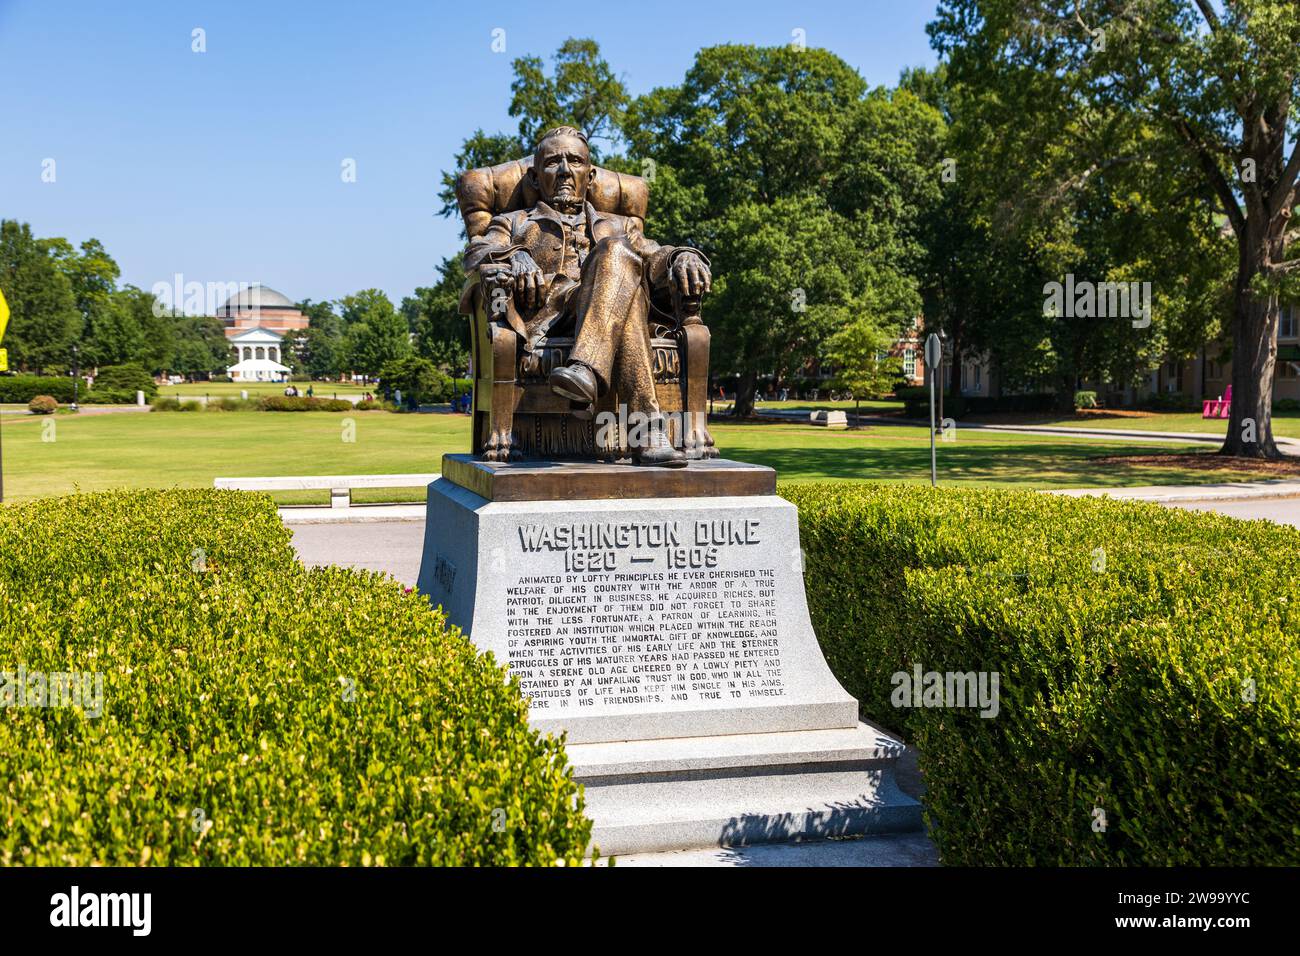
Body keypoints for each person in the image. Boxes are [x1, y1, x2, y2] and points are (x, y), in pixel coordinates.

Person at [463, 126, 711, 466]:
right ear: (534, 178)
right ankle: (647, 431)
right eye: (553, 162)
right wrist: (514, 255)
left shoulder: (620, 226)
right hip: (551, 316)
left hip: (613, 310)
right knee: (622, 267)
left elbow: (655, 255)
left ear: (589, 174)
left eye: (575, 161)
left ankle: (585, 370)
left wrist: (681, 256)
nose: (565, 170)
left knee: (619, 258)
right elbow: (477, 251)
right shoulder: (513, 220)